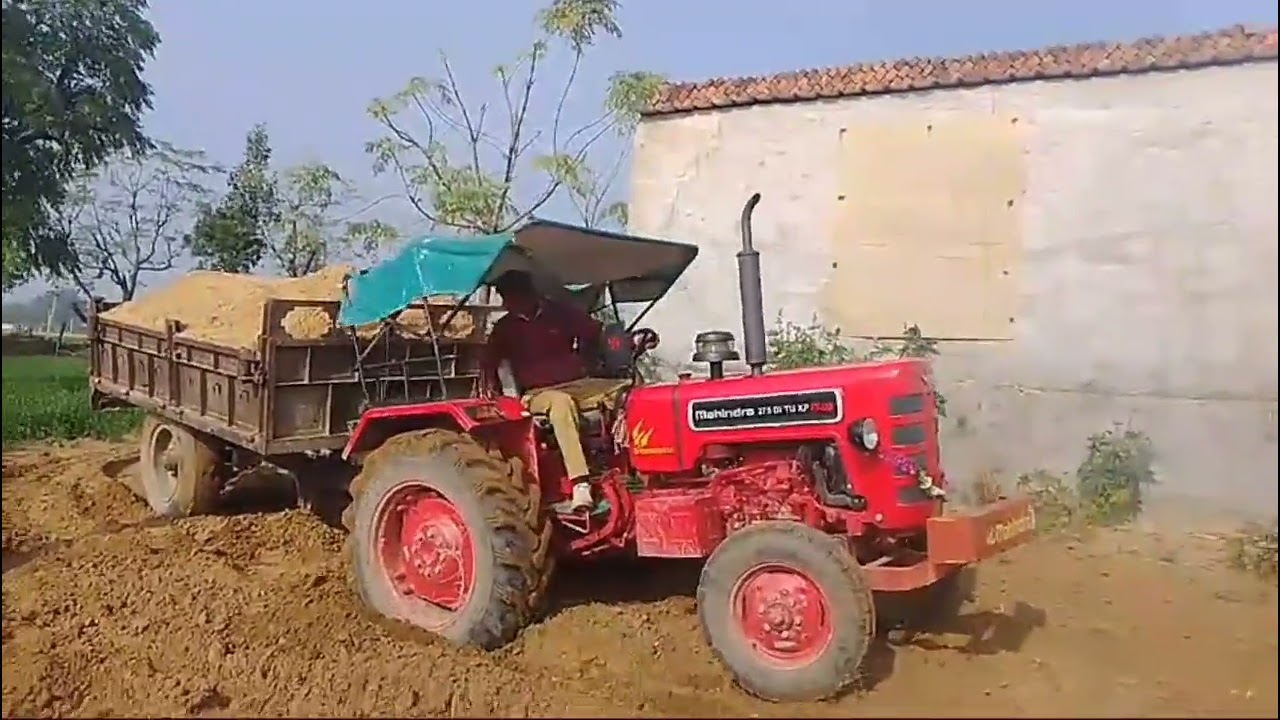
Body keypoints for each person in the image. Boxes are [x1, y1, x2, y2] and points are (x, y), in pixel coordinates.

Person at [480, 269, 621, 511]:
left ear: (527, 294)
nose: (506, 303)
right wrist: (493, 395)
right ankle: (580, 482)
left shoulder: (560, 314)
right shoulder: (504, 328)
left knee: (626, 391)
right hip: (537, 394)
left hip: (577, 384)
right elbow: (488, 364)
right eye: (504, 298)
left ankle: (632, 462)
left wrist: (621, 342)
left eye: (510, 296)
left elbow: (597, 332)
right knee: (560, 403)